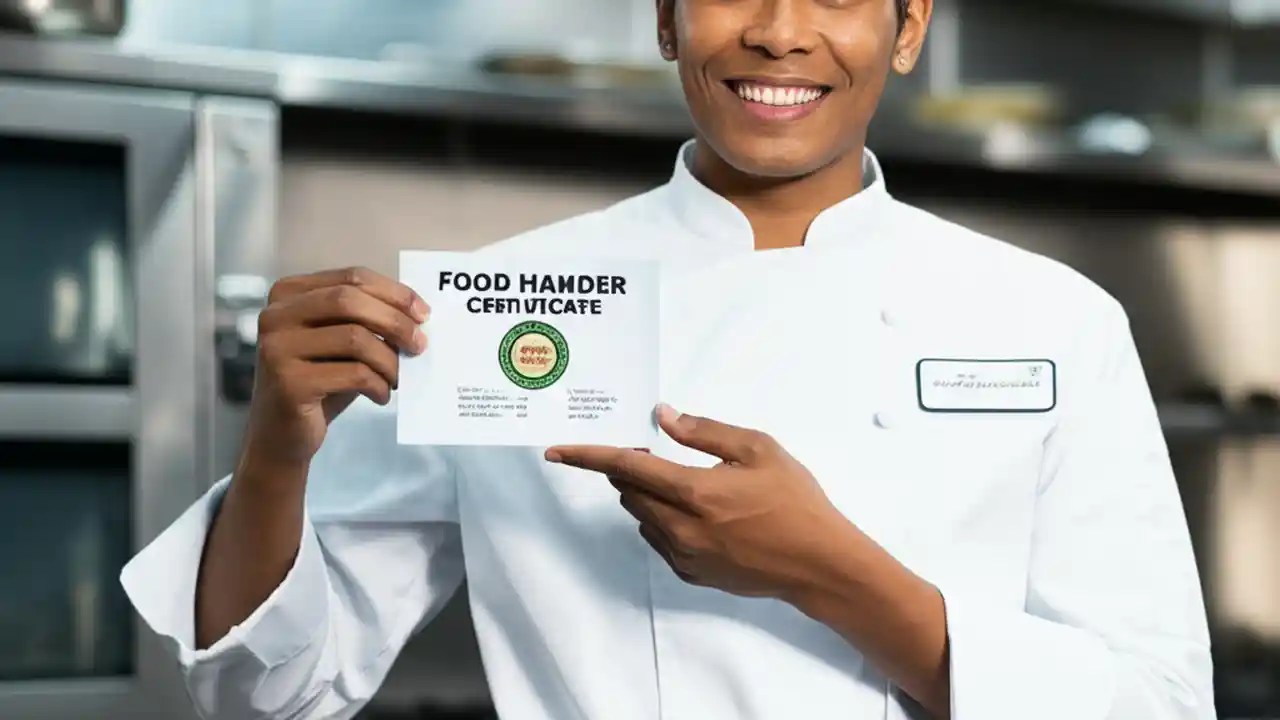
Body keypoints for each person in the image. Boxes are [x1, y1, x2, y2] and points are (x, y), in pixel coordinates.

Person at [121, 0, 1215, 718]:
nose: (780, 33)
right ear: (663, 17)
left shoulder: (1051, 318)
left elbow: (1158, 702)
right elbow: (268, 690)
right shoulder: (502, 305)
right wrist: (276, 448)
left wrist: (829, 575)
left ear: (908, 25)